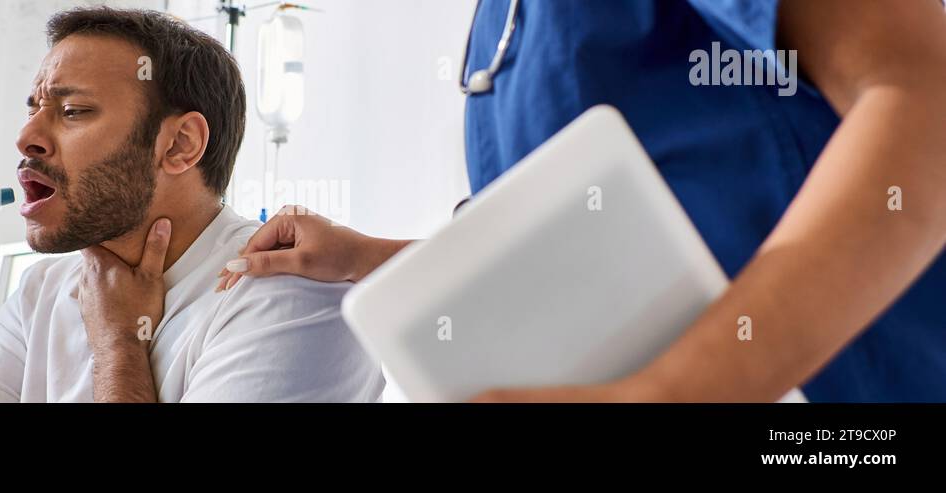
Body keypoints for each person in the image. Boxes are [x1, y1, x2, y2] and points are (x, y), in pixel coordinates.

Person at [219, 0, 946, 402]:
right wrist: (365, 257)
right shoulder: (502, 31)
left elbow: (924, 103)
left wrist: (664, 396)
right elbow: (605, 242)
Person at [0, 7, 383, 403]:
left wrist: (119, 346)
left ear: (180, 144)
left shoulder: (290, 301)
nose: (26, 138)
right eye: (33, 109)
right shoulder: (44, 290)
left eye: (73, 111)